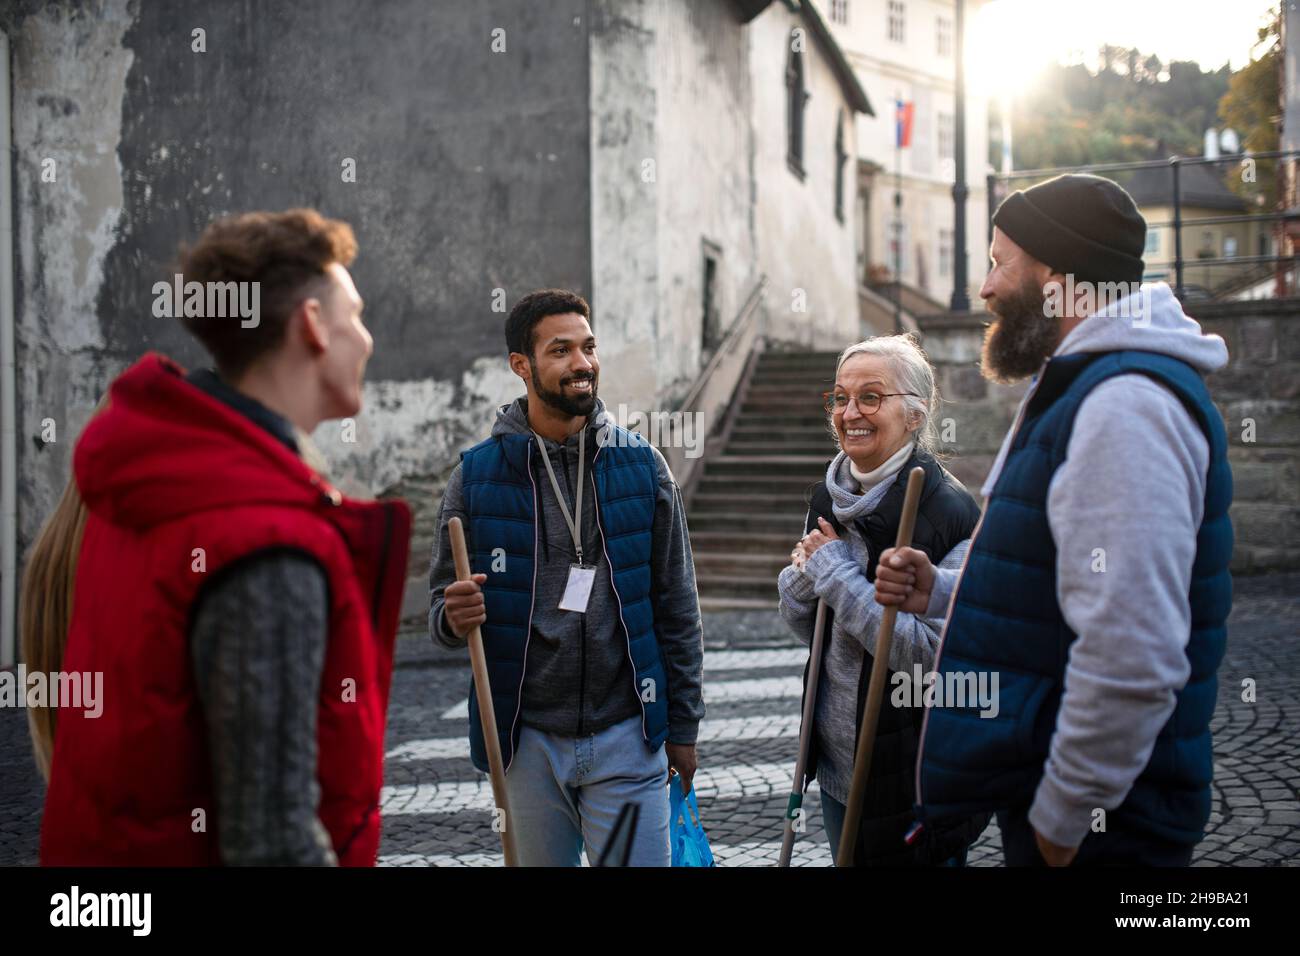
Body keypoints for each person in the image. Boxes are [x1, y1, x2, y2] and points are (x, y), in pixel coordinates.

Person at [34, 208, 411, 865]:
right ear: (314, 327)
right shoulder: (266, 537)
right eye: (355, 314)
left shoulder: (154, 494)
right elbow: (273, 843)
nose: (368, 338)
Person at [876, 174, 1233, 866]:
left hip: (1107, 834)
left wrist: (1062, 822)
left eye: (996, 261)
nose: (984, 288)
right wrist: (945, 591)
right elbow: (1063, 581)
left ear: (1052, 273)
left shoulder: (1123, 404)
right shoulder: (1089, 384)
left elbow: (1131, 651)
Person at [428, 288, 705, 866]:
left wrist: (684, 723)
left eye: (589, 347)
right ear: (522, 366)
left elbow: (677, 604)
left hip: (629, 734)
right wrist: (452, 618)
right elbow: (441, 610)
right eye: (561, 351)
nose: (583, 364)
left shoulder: (643, 466)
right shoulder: (476, 478)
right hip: (525, 743)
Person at [777, 334, 988, 865]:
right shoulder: (831, 493)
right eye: (840, 398)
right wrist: (808, 577)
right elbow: (808, 626)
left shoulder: (953, 514)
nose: (850, 413)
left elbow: (924, 654)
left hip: (915, 768)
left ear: (915, 415)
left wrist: (831, 570)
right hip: (837, 761)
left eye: (870, 397)